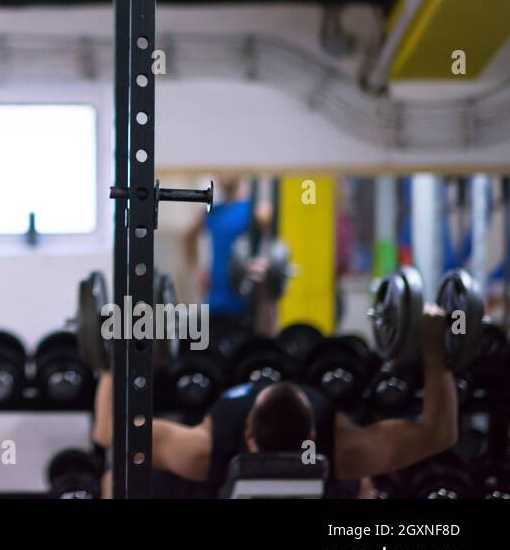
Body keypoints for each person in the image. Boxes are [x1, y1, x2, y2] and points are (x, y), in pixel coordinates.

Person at [91, 305, 459, 497]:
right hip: (230, 485)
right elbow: (437, 434)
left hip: (218, 474)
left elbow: (108, 431)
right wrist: (435, 353)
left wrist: (113, 358)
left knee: (116, 475)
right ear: (312, 437)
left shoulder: (202, 452)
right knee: (363, 484)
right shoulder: (343, 449)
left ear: (249, 432)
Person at [184, 176, 276, 336]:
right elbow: (188, 238)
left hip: (245, 303)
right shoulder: (213, 211)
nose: (226, 175)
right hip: (215, 300)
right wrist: (195, 270)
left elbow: (271, 237)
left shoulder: (254, 210)